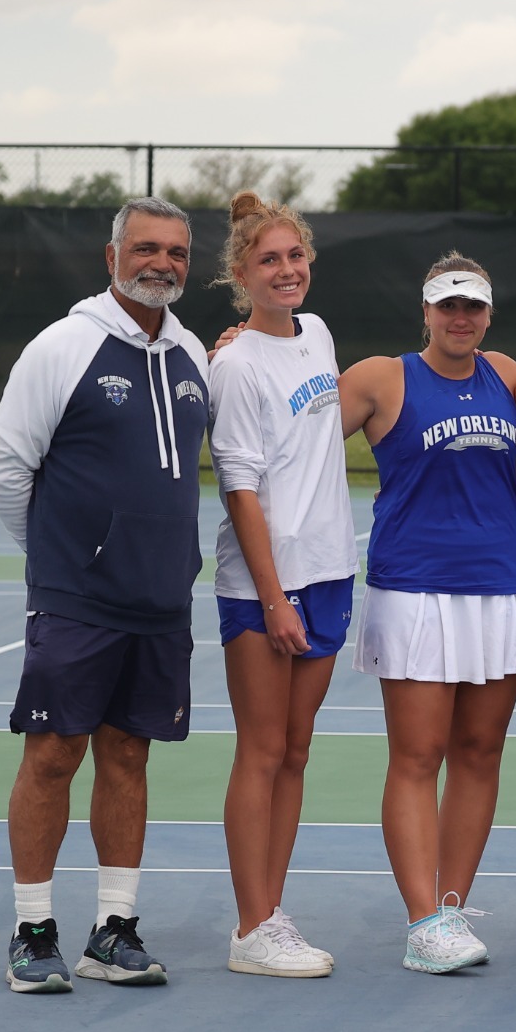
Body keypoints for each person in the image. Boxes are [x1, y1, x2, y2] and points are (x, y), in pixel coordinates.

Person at [0, 195, 208, 994]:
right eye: (146, 248)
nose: (162, 263)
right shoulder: (63, 347)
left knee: (128, 757)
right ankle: (32, 929)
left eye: (176, 252)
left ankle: (113, 931)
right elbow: (5, 467)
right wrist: (58, 559)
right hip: (77, 599)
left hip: (160, 604)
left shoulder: (193, 355)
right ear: (110, 256)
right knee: (52, 756)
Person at [337, 253, 516, 974]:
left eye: (472, 306)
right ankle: (422, 921)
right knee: (418, 757)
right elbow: (296, 428)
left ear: (487, 312)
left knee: (480, 755)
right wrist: (239, 347)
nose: (460, 318)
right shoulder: (382, 378)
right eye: (447, 305)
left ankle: (450, 908)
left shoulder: (511, 376)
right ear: (425, 309)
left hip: (503, 584)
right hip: (413, 587)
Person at [205, 192, 358, 978]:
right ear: (241, 273)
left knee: (295, 752)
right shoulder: (232, 365)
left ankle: (273, 911)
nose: (287, 270)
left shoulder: (320, 336)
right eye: (269, 260)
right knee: (261, 750)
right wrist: (271, 597)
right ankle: (249, 926)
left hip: (331, 571)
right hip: (266, 586)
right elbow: (241, 487)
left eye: (295, 257)